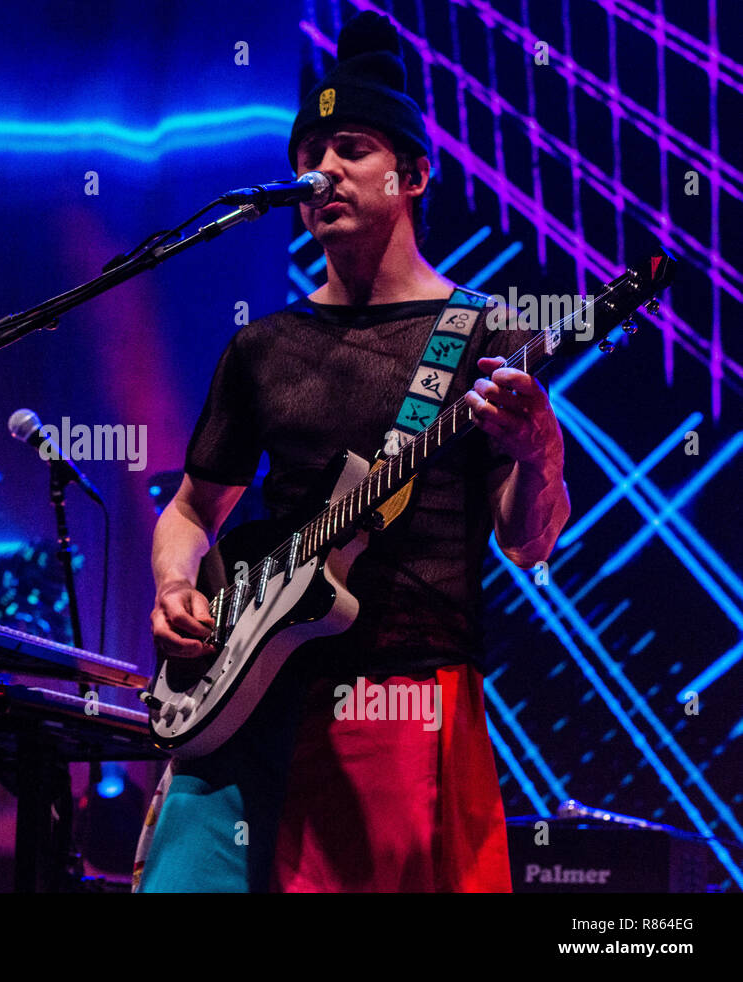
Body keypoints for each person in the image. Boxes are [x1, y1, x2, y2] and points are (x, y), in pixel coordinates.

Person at [135, 12, 570, 892]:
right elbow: (191, 510)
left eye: (352, 148)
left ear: (412, 174)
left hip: (400, 704)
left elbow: (527, 543)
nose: (321, 170)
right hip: (241, 701)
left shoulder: (483, 335)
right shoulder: (264, 347)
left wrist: (541, 456)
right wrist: (176, 586)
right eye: (311, 152)